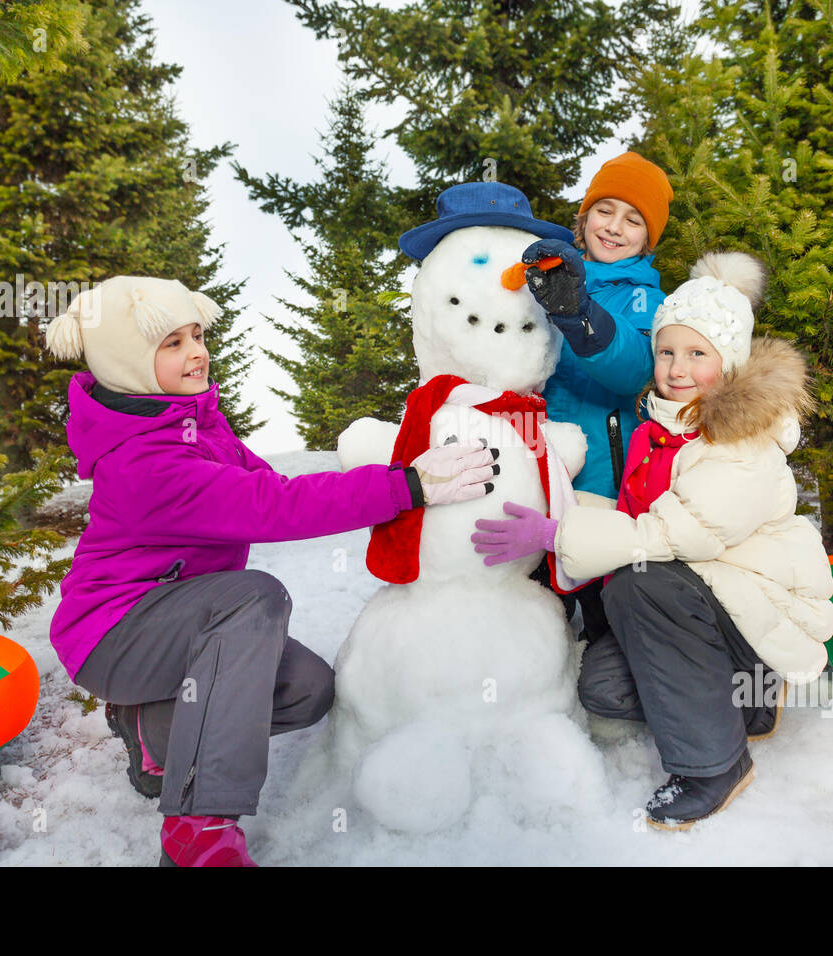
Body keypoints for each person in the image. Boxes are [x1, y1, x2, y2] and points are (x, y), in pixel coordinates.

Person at [44, 276, 497, 866]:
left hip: (183, 626)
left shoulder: (194, 420)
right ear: (128, 363)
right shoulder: (141, 462)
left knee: (306, 690)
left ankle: (152, 730)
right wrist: (408, 485)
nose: (196, 352)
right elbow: (273, 508)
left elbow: (274, 485)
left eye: (197, 335)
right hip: (114, 633)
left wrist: (399, 476)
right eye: (172, 343)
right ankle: (197, 831)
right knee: (252, 599)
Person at [472, 253, 833, 830]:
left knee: (639, 585)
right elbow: (631, 513)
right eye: (666, 351)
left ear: (731, 363)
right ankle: (747, 700)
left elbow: (667, 534)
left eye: (698, 354)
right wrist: (551, 504)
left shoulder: (740, 443)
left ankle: (713, 766)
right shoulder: (659, 429)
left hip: (759, 614)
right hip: (716, 608)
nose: (677, 367)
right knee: (605, 689)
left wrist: (555, 533)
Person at [517, 151, 674, 637]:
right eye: (605, 211)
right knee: (534, 596)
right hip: (537, 463)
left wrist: (579, 313)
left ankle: (609, 672)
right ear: (584, 219)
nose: (614, 227)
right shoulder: (547, 274)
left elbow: (635, 370)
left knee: (599, 597)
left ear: (647, 239)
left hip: (601, 480)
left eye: (632, 220)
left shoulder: (647, 298)